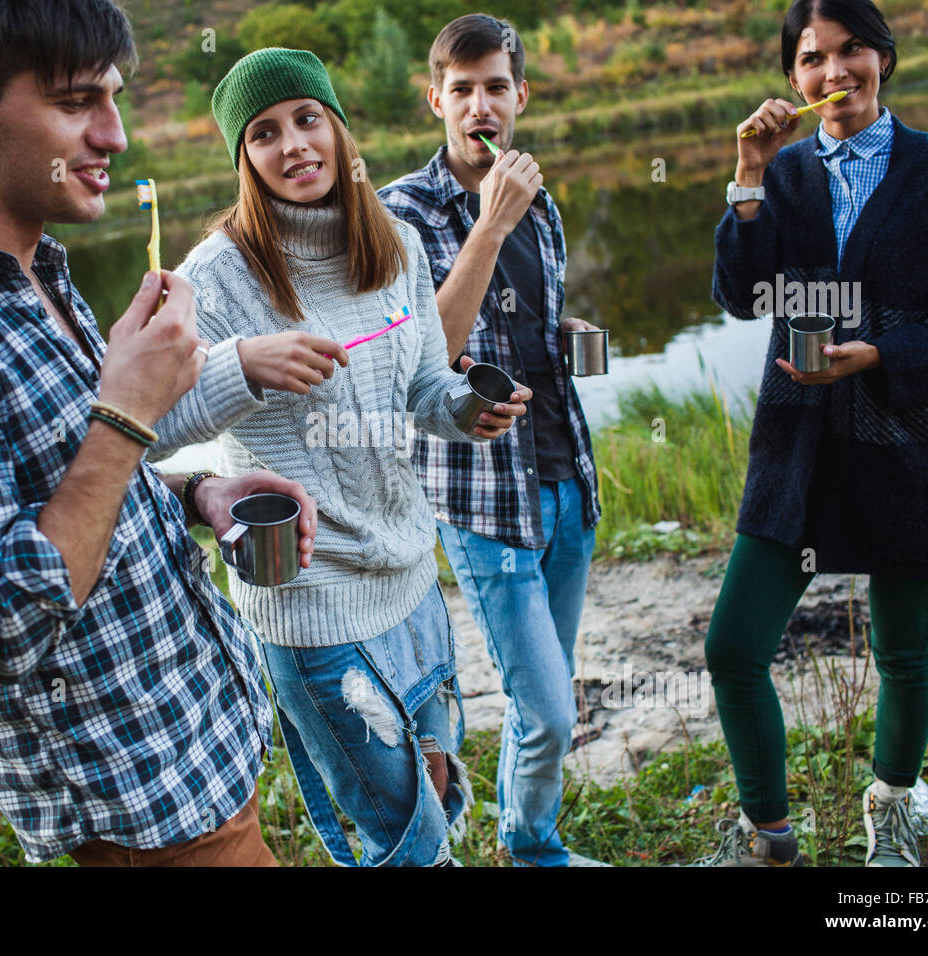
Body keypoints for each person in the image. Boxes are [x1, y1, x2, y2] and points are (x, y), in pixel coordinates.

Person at [0, 0, 319, 867]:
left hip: (199, 761)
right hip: (139, 821)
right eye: (77, 103)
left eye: (113, 97)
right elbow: (4, 627)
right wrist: (127, 412)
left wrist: (197, 492)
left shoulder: (29, 270)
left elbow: (61, 491)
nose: (114, 135)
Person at [156, 47, 531, 867]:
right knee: (401, 835)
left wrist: (472, 410)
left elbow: (427, 387)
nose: (293, 145)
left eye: (306, 118)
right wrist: (239, 368)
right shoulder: (215, 279)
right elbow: (139, 431)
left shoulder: (393, 242)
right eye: (263, 134)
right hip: (313, 606)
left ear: (337, 126)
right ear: (243, 160)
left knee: (434, 782)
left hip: (410, 575)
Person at [703, 0, 928, 866]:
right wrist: (749, 176)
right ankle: (766, 833)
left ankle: (897, 806)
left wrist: (878, 354)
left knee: (904, 648)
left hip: (911, 442)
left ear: (884, 57)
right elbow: (737, 295)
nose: (834, 73)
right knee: (734, 647)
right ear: (792, 77)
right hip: (796, 447)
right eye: (812, 58)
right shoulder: (785, 171)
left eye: (852, 52)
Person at [377, 15, 606, 867]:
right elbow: (421, 354)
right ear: (437, 99)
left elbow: (509, 328)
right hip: (481, 499)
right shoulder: (401, 212)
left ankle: (522, 832)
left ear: (520, 97)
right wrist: (492, 221)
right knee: (548, 707)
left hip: (564, 481)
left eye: (496, 87)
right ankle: (536, 851)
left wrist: (561, 328)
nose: (481, 104)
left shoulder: (537, 202)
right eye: (462, 89)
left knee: (545, 692)